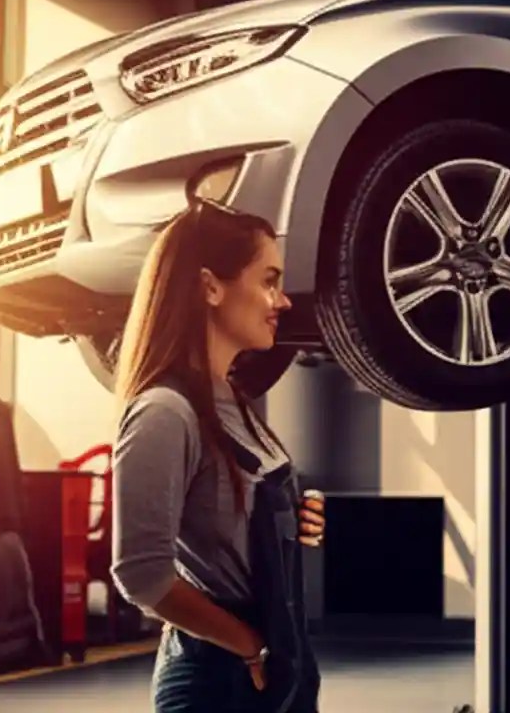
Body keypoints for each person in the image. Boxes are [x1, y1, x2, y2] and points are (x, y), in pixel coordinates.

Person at [108, 198, 324, 712]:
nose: (283, 300)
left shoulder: (231, 401)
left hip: (279, 661)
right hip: (220, 677)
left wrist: (297, 517)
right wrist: (249, 647)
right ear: (210, 287)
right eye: (268, 280)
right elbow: (141, 575)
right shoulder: (163, 412)